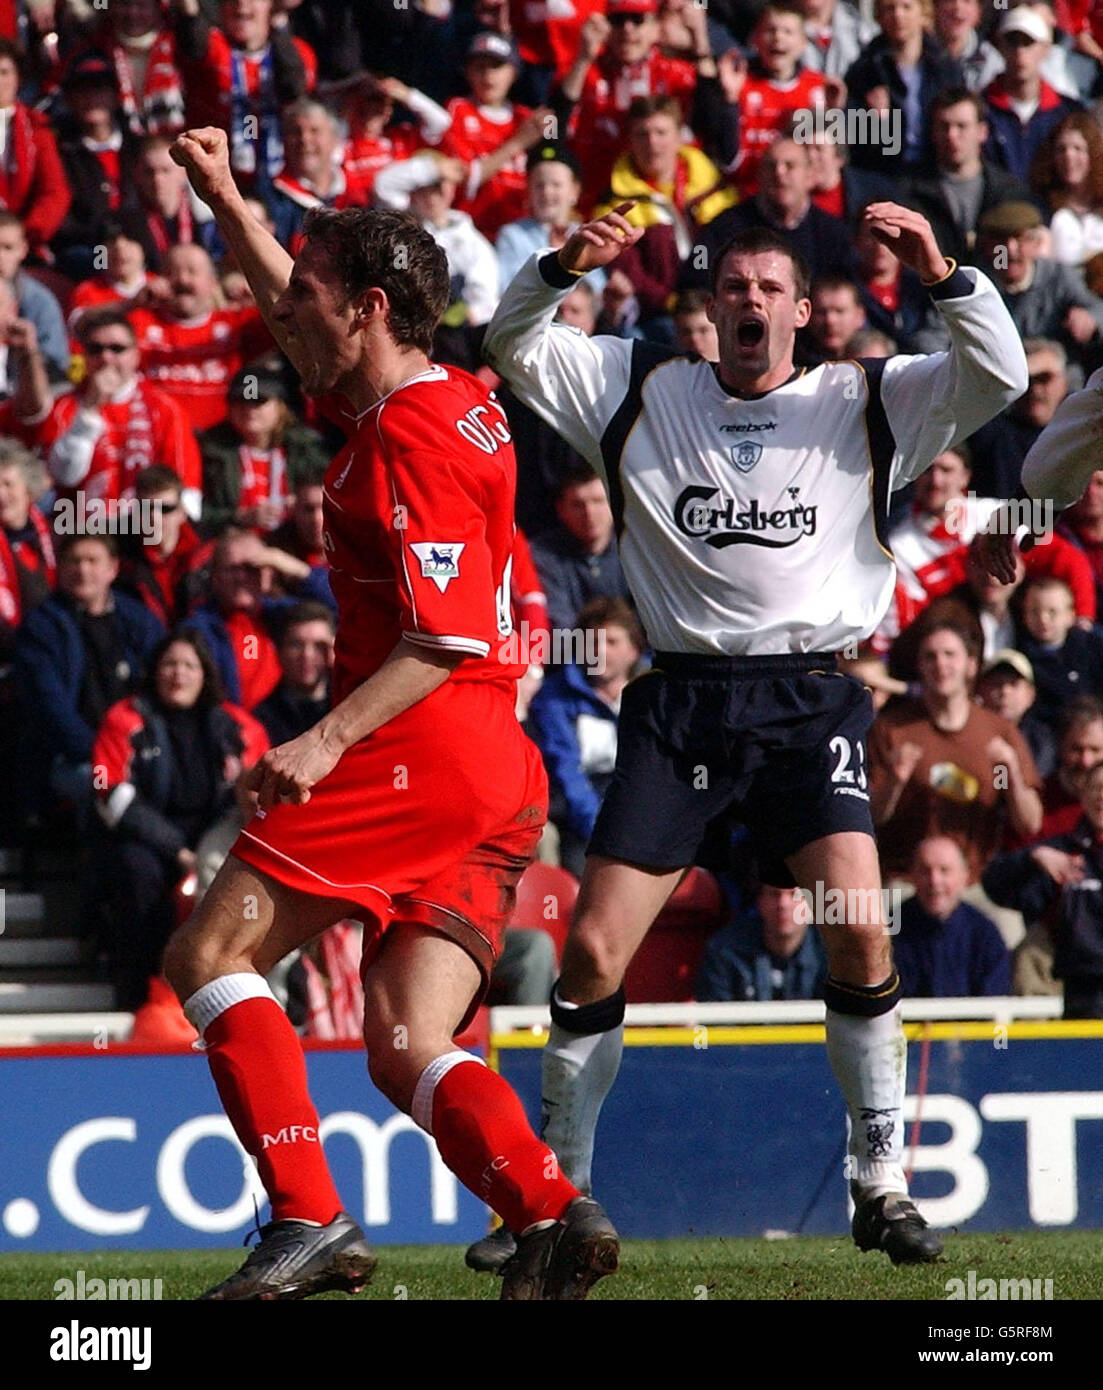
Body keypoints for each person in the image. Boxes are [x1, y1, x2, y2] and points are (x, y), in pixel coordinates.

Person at [483, 197, 1026, 1269]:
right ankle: (551, 1199)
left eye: (770, 288)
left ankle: (878, 1183)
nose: (749, 302)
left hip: (805, 703)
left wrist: (941, 270)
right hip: (679, 700)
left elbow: (1000, 373)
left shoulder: (866, 395)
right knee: (590, 950)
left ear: (801, 311)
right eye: (731, 287)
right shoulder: (637, 385)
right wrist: (555, 265)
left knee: (860, 930)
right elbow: (508, 343)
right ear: (706, 304)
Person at [162, 125, 613, 1302]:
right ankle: (551, 1211)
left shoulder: (406, 437)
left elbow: (445, 633)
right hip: (493, 766)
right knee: (406, 1041)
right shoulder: (447, 395)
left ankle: (306, 1214)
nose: (283, 315)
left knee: (208, 952)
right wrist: (221, 193)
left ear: (365, 309)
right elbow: (288, 298)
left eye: (310, 300)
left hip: (425, 740)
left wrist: (320, 737)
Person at [92, 630, 268, 1009]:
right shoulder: (126, 718)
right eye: (169, 664)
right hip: (149, 839)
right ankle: (139, 998)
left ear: (205, 673)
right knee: (137, 872)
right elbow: (112, 795)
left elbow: (259, 795)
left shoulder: (237, 727)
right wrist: (178, 851)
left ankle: (234, 995)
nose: (178, 674)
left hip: (220, 835)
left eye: (189, 665)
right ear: (155, 670)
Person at [869, 616, 1042, 880]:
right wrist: (895, 782)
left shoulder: (998, 733)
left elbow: (1029, 824)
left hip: (976, 883)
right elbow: (871, 818)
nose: (940, 664)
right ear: (920, 666)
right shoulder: (893, 729)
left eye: (950, 654)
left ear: (971, 665)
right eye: (930, 656)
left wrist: (1010, 775)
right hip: (906, 881)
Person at [12, 532, 163, 824]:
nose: (83, 569)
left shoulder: (139, 620)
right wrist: (105, 755)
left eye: (92, 560)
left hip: (138, 752)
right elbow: (50, 711)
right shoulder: (41, 627)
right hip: (73, 759)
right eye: (73, 561)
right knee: (106, 788)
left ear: (112, 568)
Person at [26, 307, 203, 519]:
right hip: (82, 528)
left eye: (117, 349)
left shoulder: (164, 408)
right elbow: (64, 476)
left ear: (136, 355)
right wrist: (90, 409)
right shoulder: (65, 406)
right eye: (95, 349)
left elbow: (187, 488)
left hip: (147, 529)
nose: (106, 357)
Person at [527, 597, 645, 877]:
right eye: (592, 642)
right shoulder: (555, 697)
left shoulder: (653, 691)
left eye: (612, 642)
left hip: (641, 807)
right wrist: (601, 830)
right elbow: (566, 770)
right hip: (580, 817)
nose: (599, 651)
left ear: (633, 650)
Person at [983, 758, 1103, 1016]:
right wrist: (1033, 858)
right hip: (1079, 987)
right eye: (1095, 789)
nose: (1101, 797)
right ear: (1082, 796)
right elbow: (995, 886)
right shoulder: (1061, 853)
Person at [901, 87, 1030, 267]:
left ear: (982, 132)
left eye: (962, 126)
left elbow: (1006, 257)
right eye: (944, 126)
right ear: (933, 132)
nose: (952, 135)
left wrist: (996, 282)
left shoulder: (1007, 192)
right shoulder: (910, 191)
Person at [198, 363, 330, 535]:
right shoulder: (210, 449)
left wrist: (301, 502)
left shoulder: (306, 447)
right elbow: (194, 509)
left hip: (296, 542)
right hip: (232, 543)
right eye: (240, 401)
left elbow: (331, 493)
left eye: (259, 401)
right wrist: (238, 517)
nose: (249, 409)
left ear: (279, 406)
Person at [893, 834, 1012, 995]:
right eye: (925, 871)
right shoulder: (891, 929)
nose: (934, 881)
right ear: (912, 876)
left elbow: (994, 1000)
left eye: (944, 870)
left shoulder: (985, 935)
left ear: (964, 877)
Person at [982, 6, 1082, 184]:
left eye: (1028, 42)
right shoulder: (981, 109)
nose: (1020, 51)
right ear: (1000, 45)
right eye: (1012, 41)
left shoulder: (1068, 113)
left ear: (1045, 48)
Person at [528, 465, 632, 633]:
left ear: (614, 504)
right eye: (578, 505)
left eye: (598, 501)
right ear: (561, 509)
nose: (589, 513)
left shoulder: (635, 552)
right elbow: (558, 624)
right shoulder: (540, 555)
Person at [696, 881, 828, 1001]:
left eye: (795, 895)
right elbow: (716, 1019)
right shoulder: (724, 950)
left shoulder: (831, 953)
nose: (783, 904)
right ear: (759, 900)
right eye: (774, 894)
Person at [1017, 574, 1103, 729]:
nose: (1043, 619)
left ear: (1070, 616)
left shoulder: (1092, 647)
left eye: (1052, 612)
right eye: (1034, 611)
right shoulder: (1021, 655)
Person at [253, 600, 334, 746]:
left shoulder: (350, 704)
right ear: (279, 651)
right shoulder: (262, 718)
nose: (307, 655)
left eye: (319, 646)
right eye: (296, 645)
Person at [1030, 111, 1103, 266]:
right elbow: (1001, 253)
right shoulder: (1041, 207)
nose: (1069, 156)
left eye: (1078, 149)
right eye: (1061, 149)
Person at [977, 647, 1058, 780]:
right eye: (996, 684)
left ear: (1030, 694)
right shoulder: (970, 732)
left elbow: (1039, 778)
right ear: (980, 690)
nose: (1005, 692)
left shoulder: (1042, 740)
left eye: (1014, 684)